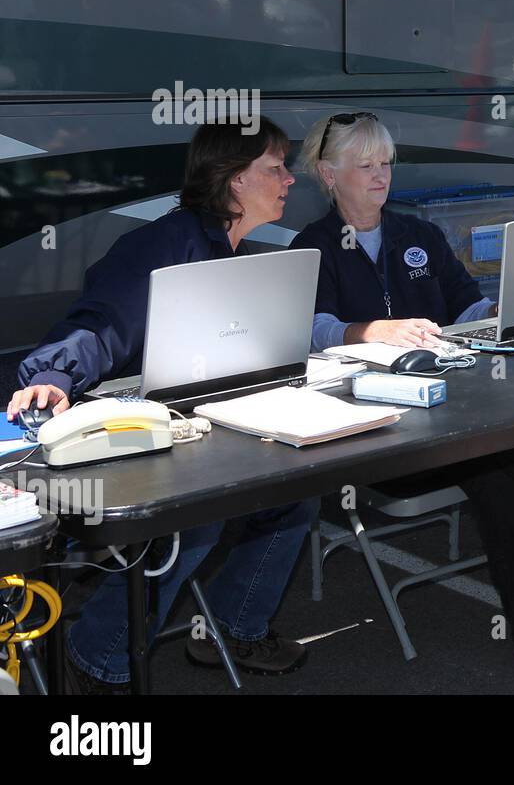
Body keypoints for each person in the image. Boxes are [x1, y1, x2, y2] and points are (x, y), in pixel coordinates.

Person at [290, 112, 514, 684]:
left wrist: (504, 309)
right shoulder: (315, 247)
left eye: (387, 163)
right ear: (329, 175)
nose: (381, 176)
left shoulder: (419, 235)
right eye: (366, 165)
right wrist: (371, 331)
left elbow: (464, 306)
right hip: (382, 427)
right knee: (500, 457)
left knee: (499, 456)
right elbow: (311, 331)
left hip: (452, 407)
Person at [6, 119, 312, 692]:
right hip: (146, 432)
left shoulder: (242, 251)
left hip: (219, 423)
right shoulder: (163, 244)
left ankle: (230, 628)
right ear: (235, 179)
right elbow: (100, 324)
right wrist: (54, 375)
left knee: (297, 493)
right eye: (276, 168)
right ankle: (98, 656)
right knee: (197, 518)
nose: (289, 179)